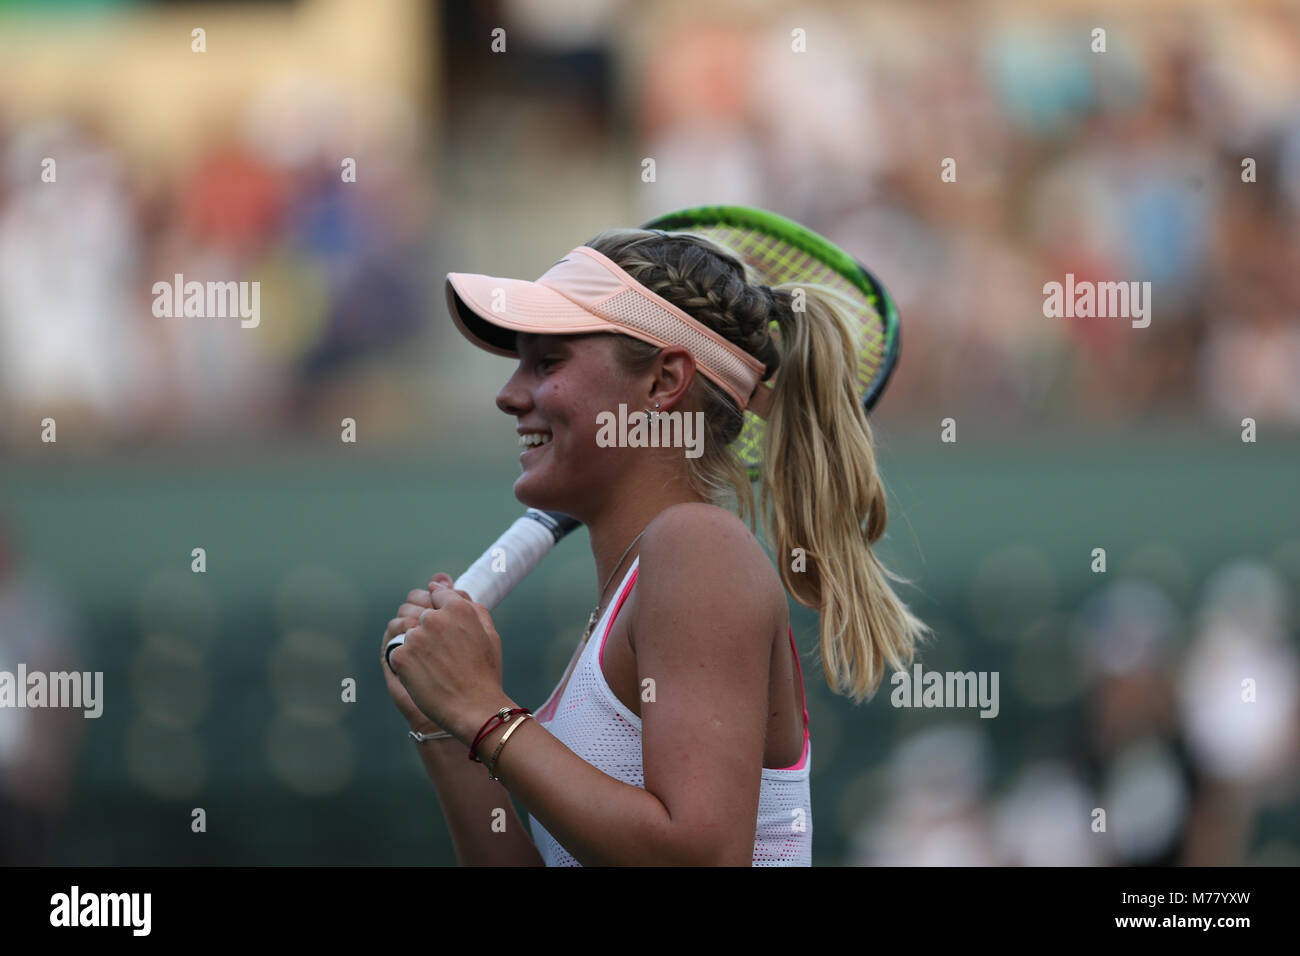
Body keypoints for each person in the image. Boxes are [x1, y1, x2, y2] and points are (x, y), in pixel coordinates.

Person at [380, 228, 930, 865]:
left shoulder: (698, 547)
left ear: (663, 381)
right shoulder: (645, 583)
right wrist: (445, 724)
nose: (509, 394)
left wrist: (485, 711)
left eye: (547, 363)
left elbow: (698, 856)